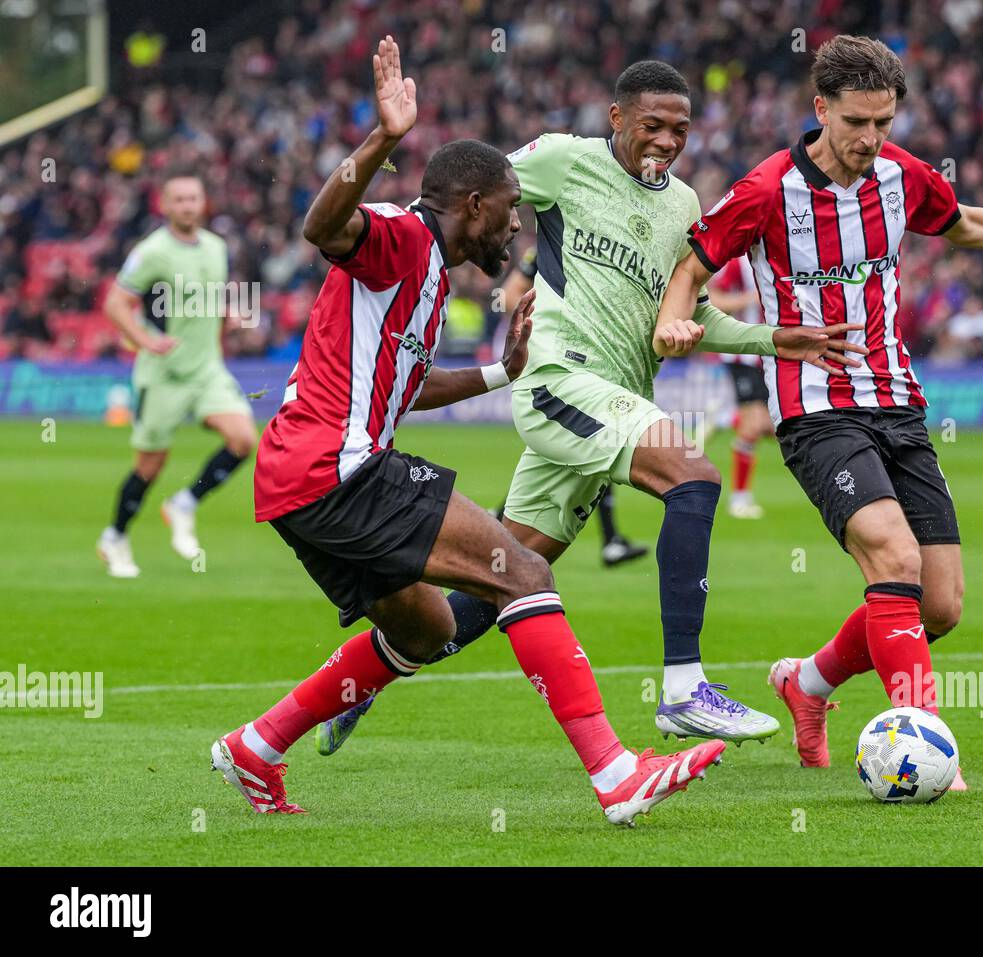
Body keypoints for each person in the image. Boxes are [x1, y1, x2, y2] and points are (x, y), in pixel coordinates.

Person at [211, 37, 725, 826]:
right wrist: (384, 137)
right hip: (337, 468)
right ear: (474, 204)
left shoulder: (427, 280)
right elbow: (324, 227)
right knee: (521, 570)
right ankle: (618, 774)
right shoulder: (403, 237)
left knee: (427, 630)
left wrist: (501, 372)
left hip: (298, 484)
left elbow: (410, 386)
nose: (515, 225)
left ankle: (258, 743)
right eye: (511, 209)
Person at [317, 60, 865, 755]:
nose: (667, 141)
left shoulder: (685, 206)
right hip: (560, 381)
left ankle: (351, 688)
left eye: (681, 129)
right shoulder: (561, 161)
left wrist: (774, 338)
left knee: (495, 584)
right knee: (693, 476)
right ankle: (684, 686)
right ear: (616, 119)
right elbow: (470, 193)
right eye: (652, 126)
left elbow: (689, 316)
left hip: (615, 400)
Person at [657, 34, 983, 781]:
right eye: (856, 122)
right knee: (894, 556)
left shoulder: (897, 174)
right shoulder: (766, 190)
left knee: (941, 604)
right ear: (820, 109)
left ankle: (808, 680)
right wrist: (673, 316)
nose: (871, 139)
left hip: (899, 403)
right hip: (816, 406)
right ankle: (925, 744)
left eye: (884, 122)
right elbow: (695, 261)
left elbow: (963, 223)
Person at [96, 169, 258, 577]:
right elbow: (116, 304)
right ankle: (114, 537)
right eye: (179, 199)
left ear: (203, 203)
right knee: (151, 465)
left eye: (194, 198)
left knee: (242, 439)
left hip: (206, 370)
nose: (187, 205)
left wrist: (228, 316)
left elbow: (210, 297)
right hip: (163, 374)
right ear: (165, 206)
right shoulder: (152, 251)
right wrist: (145, 341)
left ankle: (184, 503)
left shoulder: (217, 247)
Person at [499, 247, 650, 568]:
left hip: (599, 368)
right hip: (556, 369)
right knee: (596, 447)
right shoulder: (554, 239)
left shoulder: (611, 246)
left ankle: (500, 529)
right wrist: (553, 325)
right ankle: (499, 527)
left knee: (595, 449)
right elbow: (512, 293)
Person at [708, 255, 773, 519]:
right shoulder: (739, 264)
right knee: (753, 426)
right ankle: (739, 498)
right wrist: (749, 299)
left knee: (774, 428)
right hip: (743, 355)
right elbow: (714, 299)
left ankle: (727, 418)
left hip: (770, 357)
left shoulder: (784, 255)